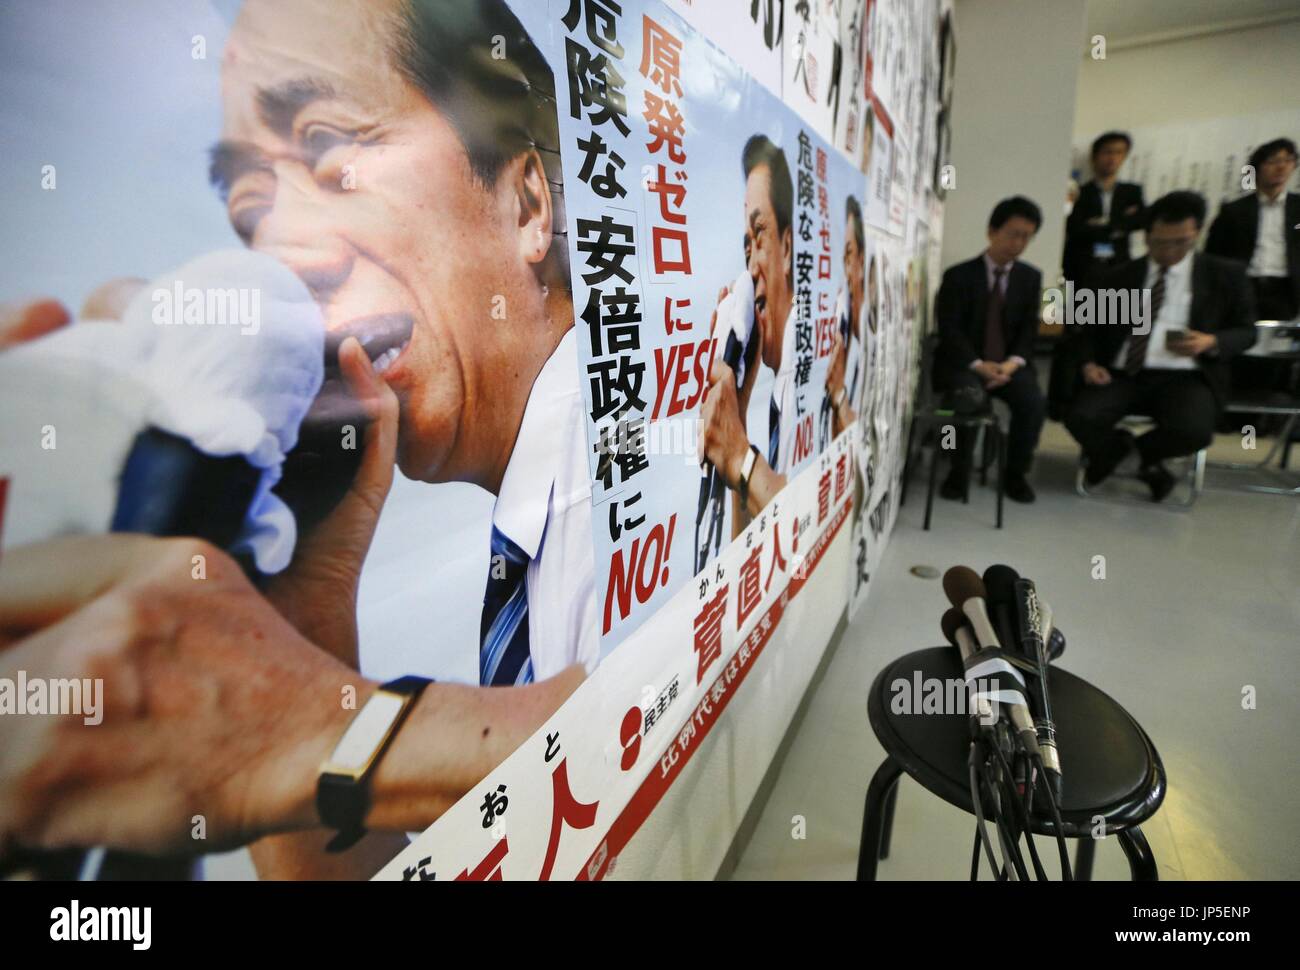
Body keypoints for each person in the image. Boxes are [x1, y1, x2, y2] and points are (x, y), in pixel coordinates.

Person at [1, 0, 594, 878]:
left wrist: (322, 726)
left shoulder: (642, 470)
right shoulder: (532, 524)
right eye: (251, 211)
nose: (281, 255)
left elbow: (661, 721)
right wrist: (288, 625)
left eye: (332, 153)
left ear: (528, 199)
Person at [1065, 191, 1257, 502]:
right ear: (1147, 235)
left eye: (1179, 242)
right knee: (1080, 417)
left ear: (1197, 232)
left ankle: (1128, 456)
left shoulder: (1225, 275)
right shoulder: (1117, 276)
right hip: (1125, 372)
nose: (1167, 251)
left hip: (1186, 376)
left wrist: (1211, 341)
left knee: (1194, 430)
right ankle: (1141, 464)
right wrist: (1089, 364)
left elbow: (1248, 332)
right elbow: (1084, 331)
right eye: (1158, 242)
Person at [699, 135, 795, 538]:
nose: (751, 267)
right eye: (746, 247)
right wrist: (735, 417)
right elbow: (752, 538)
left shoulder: (801, 380)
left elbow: (796, 531)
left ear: (787, 247)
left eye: (761, 236)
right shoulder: (774, 390)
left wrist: (740, 455)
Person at [932, 196, 1047, 504]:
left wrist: (1010, 365)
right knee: (967, 399)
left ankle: (1015, 474)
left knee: (1033, 403)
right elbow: (950, 331)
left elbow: (1028, 332)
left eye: (1027, 236)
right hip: (964, 365)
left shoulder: (1030, 278)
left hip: (1008, 367)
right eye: (1013, 233)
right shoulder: (958, 276)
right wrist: (978, 364)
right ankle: (957, 471)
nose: (1019, 243)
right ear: (992, 232)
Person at [1206, 138, 1299, 321]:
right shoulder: (1234, 211)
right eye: (1273, 161)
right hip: (1245, 286)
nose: (1281, 167)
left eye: (1288, 160)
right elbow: (1214, 255)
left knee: (1282, 346)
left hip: (1287, 290)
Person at [1063, 132, 1145, 285]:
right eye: (1108, 152)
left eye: (1119, 152)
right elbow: (1074, 228)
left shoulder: (1132, 191)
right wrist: (1119, 224)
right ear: (1095, 156)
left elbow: (1140, 221)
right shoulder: (1079, 193)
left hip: (1120, 262)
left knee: (1121, 307)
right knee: (1072, 306)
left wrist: (1101, 224)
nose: (1112, 158)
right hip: (1081, 265)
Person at [826, 196, 867, 439]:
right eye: (844, 259)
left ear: (862, 260)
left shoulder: (868, 338)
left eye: (850, 255)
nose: (846, 268)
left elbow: (861, 438)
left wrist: (839, 394)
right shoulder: (845, 332)